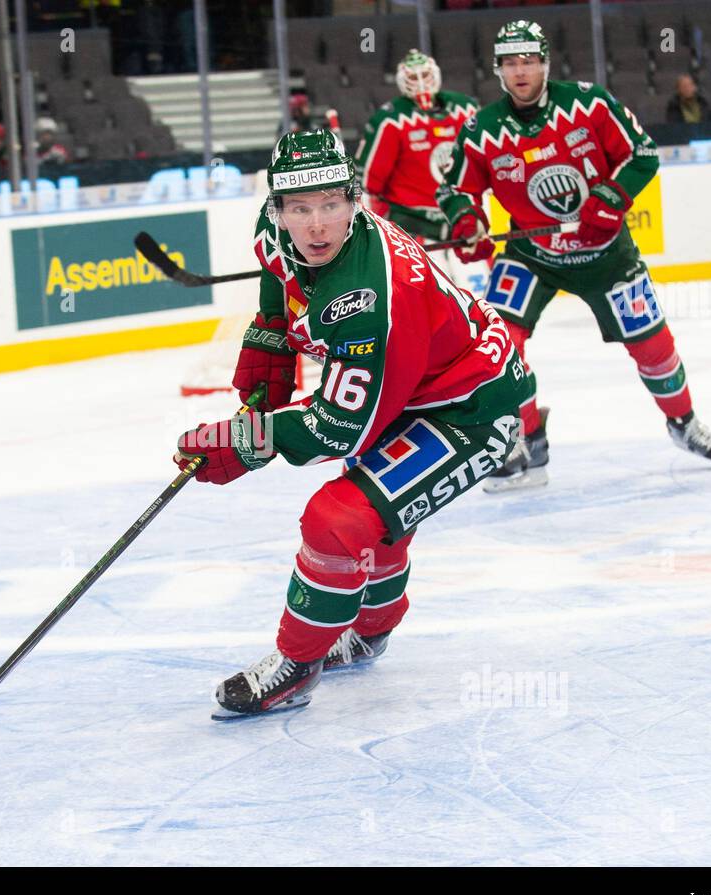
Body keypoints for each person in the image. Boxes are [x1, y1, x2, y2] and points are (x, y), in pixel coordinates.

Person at [175, 129, 532, 718]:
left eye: (331, 206)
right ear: (277, 209)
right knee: (377, 517)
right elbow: (278, 283)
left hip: (471, 405)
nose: (316, 225)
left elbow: (341, 428)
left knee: (339, 519)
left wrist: (249, 440)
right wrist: (269, 364)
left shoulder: (366, 294)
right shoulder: (279, 234)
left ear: (354, 200)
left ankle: (297, 665)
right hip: (412, 383)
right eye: (300, 209)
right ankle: (369, 631)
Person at [438, 19, 711, 491]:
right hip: (530, 251)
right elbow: (456, 188)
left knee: (653, 348)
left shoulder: (589, 104)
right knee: (498, 346)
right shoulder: (482, 128)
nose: (520, 71)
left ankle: (683, 423)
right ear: (498, 71)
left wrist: (612, 197)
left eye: (529, 61)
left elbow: (642, 153)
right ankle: (526, 436)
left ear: (545, 64)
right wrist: (467, 223)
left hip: (606, 253)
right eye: (510, 63)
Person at [356, 50, 484, 293]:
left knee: (480, 294)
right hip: (412, 224)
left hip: (463, 218)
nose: (422, 83)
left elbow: (486, 159)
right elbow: (370, 181)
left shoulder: (466, 109)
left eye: (425, 75)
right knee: (427, 297)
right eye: (414, 77)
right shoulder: (391, 119)